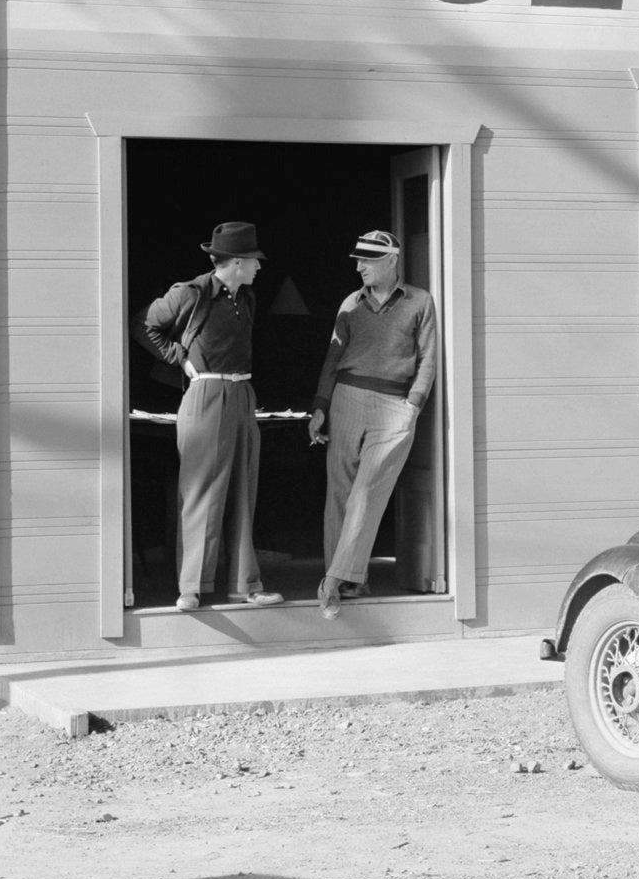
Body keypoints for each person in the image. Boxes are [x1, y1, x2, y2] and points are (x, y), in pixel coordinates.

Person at [137, 222, 284, 611]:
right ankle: (192, 588)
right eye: (254, 261)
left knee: (242, 489)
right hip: (205, 392)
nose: (258, 267)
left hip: (241, 392)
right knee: (201, 490)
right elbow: (145, 324)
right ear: (236, 261)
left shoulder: (246, 298)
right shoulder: (192, 293)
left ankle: (244, 584)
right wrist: (179, 360)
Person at [309, 229, 439, 619]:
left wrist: (412, 406)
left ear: (392, 260)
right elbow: (332, 359)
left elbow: (427, 359)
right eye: (358, 260)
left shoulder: (420, 301)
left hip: (394, 405)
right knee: (341, 494)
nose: (360, 266)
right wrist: (319, 407)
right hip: (347, 398)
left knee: (366, 494)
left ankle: (332, 583)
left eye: (368, 259)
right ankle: (350, 579)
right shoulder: (351, 303)